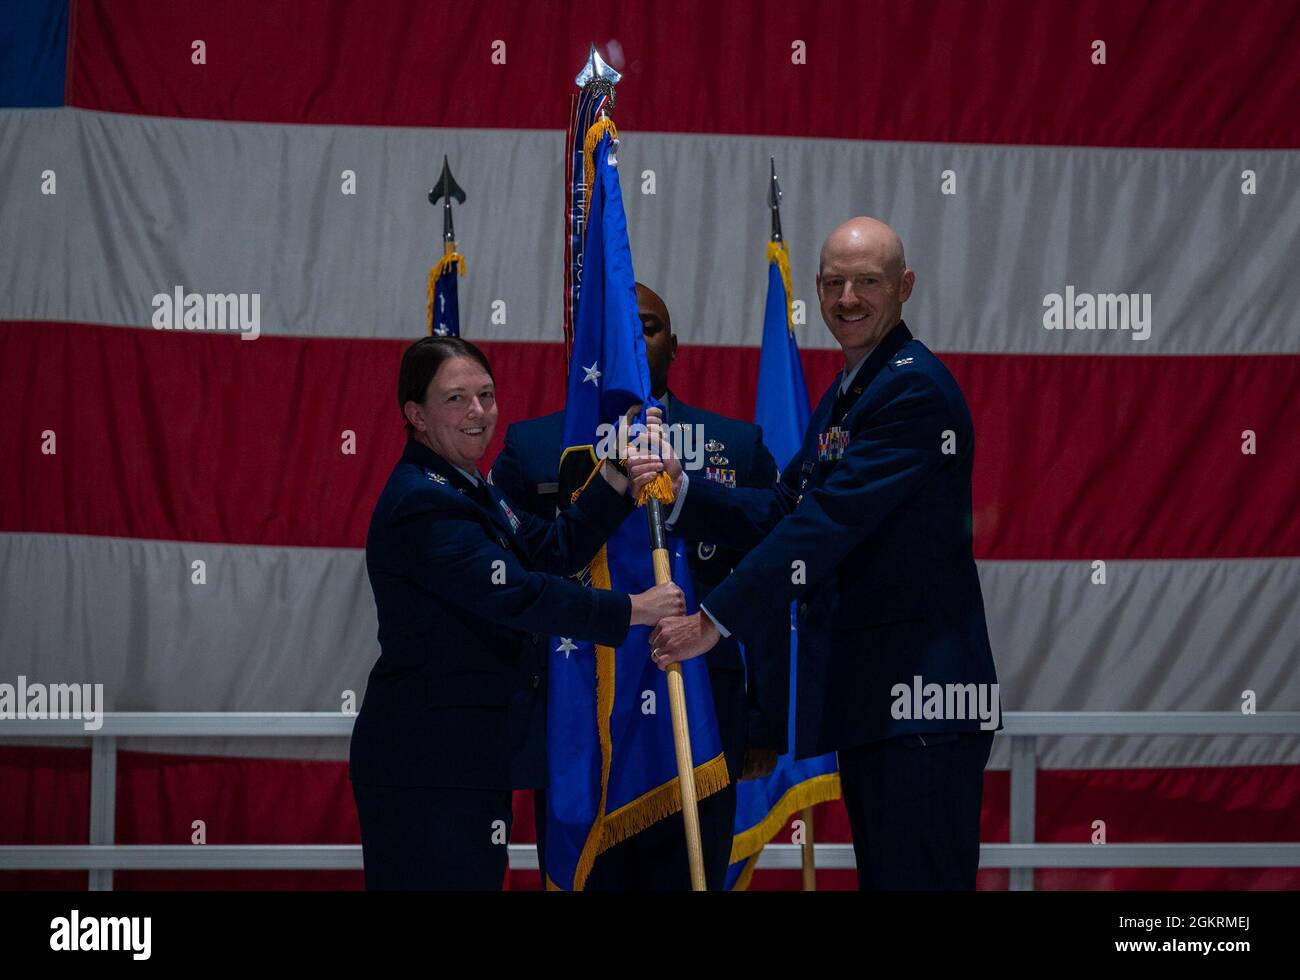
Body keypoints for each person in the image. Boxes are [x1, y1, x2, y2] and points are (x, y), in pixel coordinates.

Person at [640, 218, 1000, 890]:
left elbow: (826, 524)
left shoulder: (911, 389)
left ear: (904, 286)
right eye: (834, 283)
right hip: (880, 701)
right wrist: (683, 491)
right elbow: (787, 507)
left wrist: (712, 621)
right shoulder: (852, 390)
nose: (847, 298)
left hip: (921, 701)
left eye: (867, 282)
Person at [349, 335, 684, 890]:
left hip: (469, 757)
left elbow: (551, 549)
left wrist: (617, 473)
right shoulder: (423, 501)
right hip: (425, 764)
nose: (478, 411)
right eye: (456, 398)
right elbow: (521, 595)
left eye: (486, 394)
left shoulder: (470, 487)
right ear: (417, 415)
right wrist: (634, 610)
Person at [490, 283, 788, 890]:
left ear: (674, 346)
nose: (630, 343)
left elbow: (770, 577)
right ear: (585, 349)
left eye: (646, 328)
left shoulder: (736, 445)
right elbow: (511, 584)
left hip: (701, 716)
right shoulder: (536, 447)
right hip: (577, 714)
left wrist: (764, 721)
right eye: (614, 333)